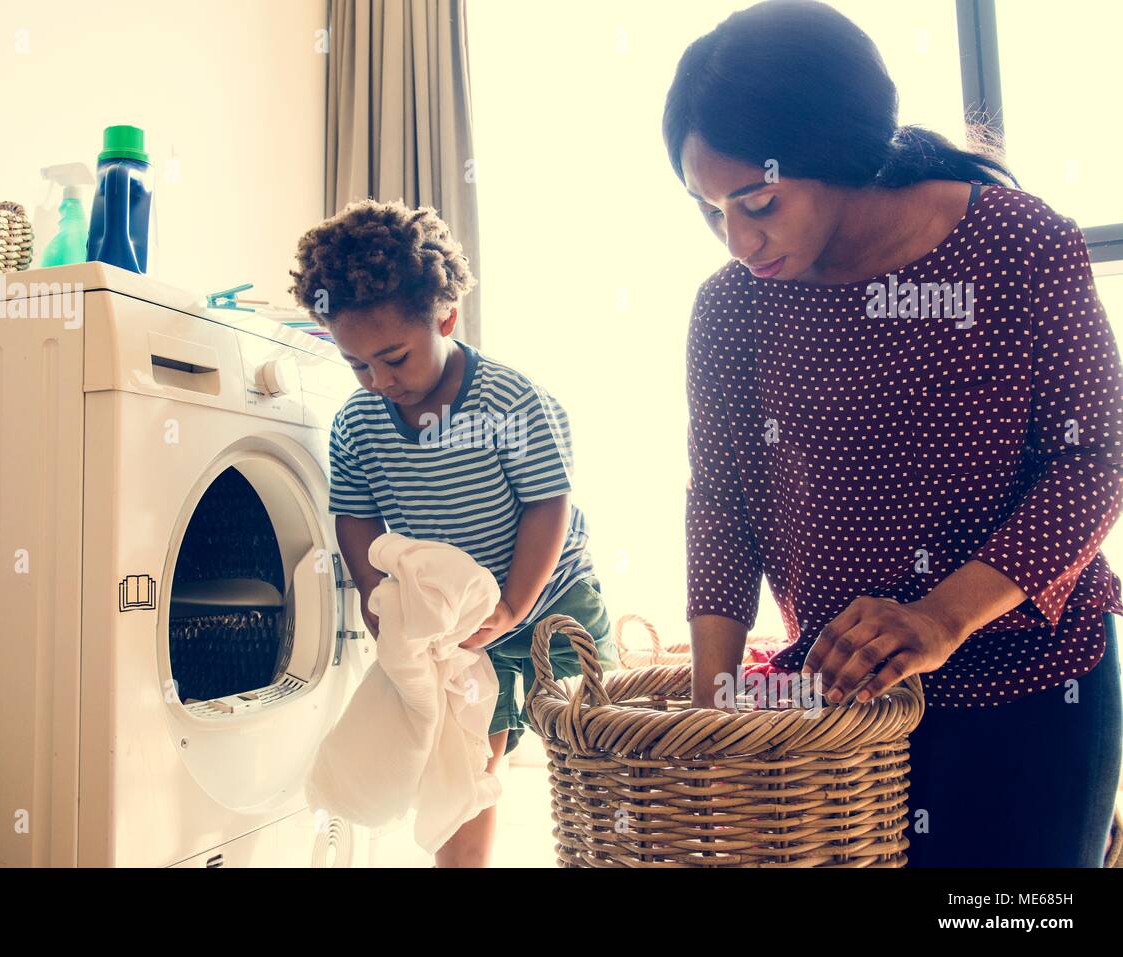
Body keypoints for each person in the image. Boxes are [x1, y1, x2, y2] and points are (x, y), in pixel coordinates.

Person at [664, 0, 1123, 866]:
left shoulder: (1017, 245)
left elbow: (1094, 459)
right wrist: (715, 710)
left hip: (1030, 688)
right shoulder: (731, 309)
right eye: (708, 210)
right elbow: (720, 504)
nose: (736, 239)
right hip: (846, 715)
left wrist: (939, 618)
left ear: (836, 148)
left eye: (757, 201)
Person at [288, 198, 620, 867]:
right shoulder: (357, 425)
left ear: (445, 317)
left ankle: (614, 850)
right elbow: (355, 516)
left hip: (551, 595)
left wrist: (514, 607)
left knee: (598, 740)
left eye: (394, 358)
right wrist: (378, 601)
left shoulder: (510, 400)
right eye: (357, 365)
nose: (379, 381)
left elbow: (547, 506)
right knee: (462, 767)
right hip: (456, 624)